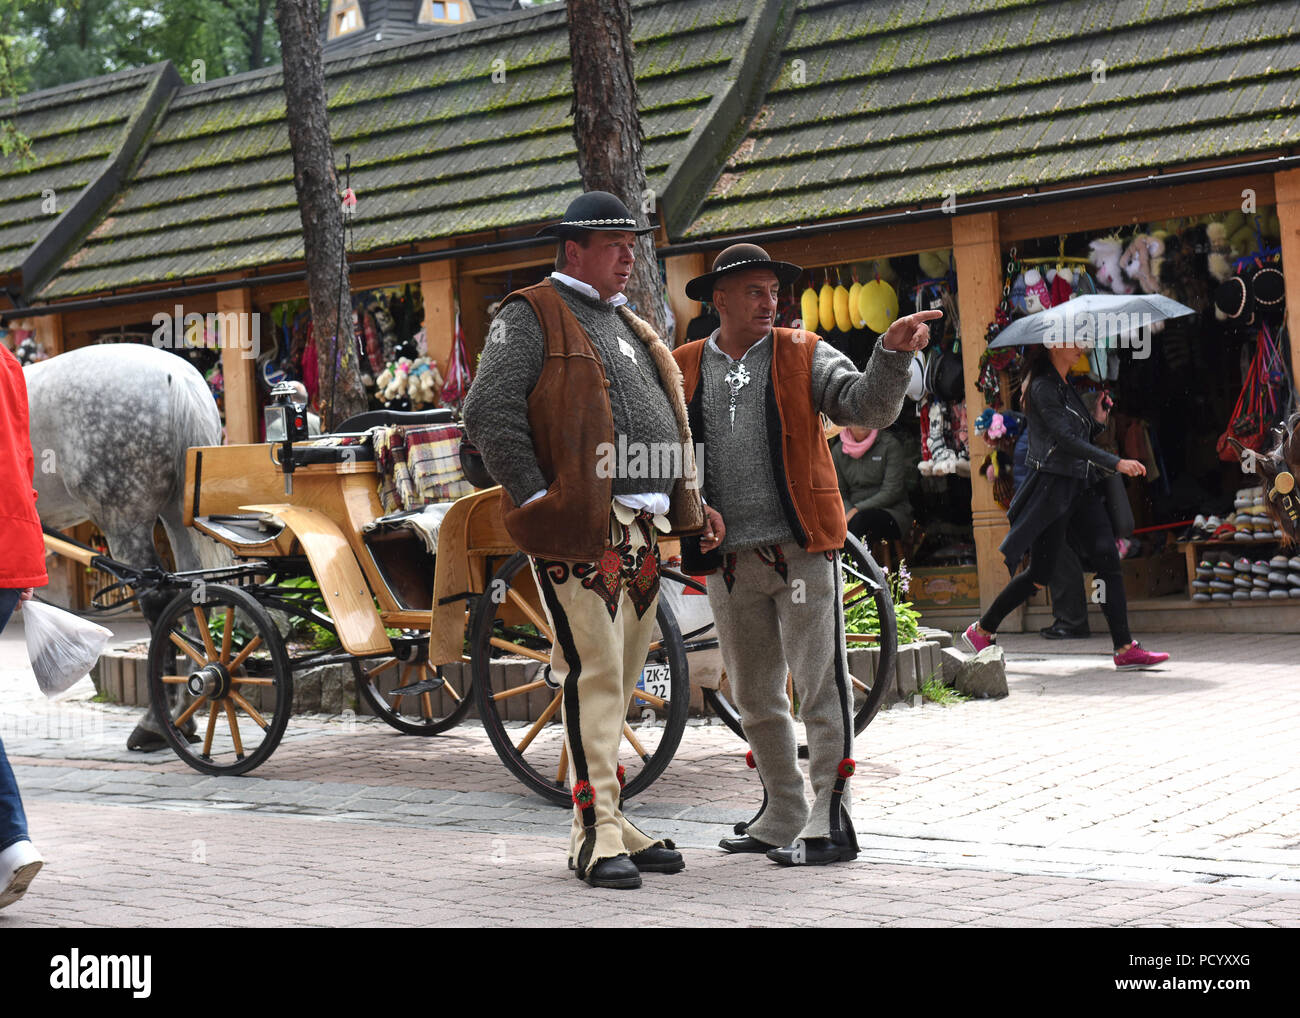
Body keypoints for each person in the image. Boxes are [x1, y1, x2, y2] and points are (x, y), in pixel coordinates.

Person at [463, 191, 716, 890]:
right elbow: (485, 409)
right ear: (573, 250)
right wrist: (538, 495)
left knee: (622, 677)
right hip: (580, 530)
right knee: (595, 673)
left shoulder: (624, 321)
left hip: (640, 530)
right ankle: (592, 834)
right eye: (615, 245)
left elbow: (657, 418)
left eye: (632, 244)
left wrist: (691, 498)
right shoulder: (528, 311)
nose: (630, 255)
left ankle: (613, 817)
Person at [673, 244, 938, 866]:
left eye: (775, 293)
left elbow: (866, 406)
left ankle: (831, 815)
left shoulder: (805, 352)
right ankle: (783, 810)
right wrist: (686, 509)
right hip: (730, 562)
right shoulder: (681, 366)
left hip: (802, 553)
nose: (771, 303)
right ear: (720, 301)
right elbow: (663, 451)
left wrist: (892, 355)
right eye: (755, 292)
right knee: (757, 696)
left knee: (820, 688)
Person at [963, 340, 1169, 669]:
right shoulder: (1042, 387)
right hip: (1054, 492)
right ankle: (983, 629)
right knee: (1040, 573)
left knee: (1107, 556)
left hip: (1080, 487)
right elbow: (1067, 441)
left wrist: (1098, 418)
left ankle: (1124, 647)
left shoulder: (1063, 384)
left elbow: (1080, 434)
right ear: (1053, 344)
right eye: (1075, 341)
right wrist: (1116, 462)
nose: (1083, 347)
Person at [1, 340, 47, 909]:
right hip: (11, 552)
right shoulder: (8, 360)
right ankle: (10, 843)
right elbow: (24, 459)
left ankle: (12, 838)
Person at [832, 425, 912, 547]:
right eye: (857, 418)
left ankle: (857, 565)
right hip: (850, 512)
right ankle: (841, 565)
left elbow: (892, 491)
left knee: (861, 521)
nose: (862, 423)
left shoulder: (889, 445)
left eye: (866, 417)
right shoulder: (838, 452)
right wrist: (848, 513)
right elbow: (839, 492)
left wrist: (857, 510)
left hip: (891, 511)